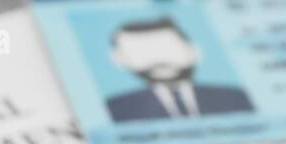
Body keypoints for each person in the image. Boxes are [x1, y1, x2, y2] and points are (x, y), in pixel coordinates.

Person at [107, 18, 253, 122]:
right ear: (120, 59)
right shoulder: (115, 108)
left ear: (192, 50)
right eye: (141, 52)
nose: (158, 59)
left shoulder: (237, 98)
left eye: (166, 48)